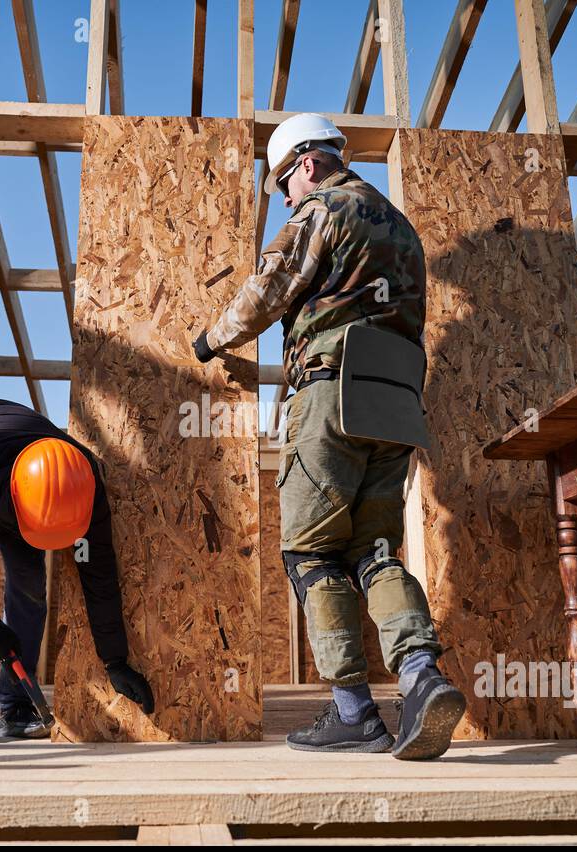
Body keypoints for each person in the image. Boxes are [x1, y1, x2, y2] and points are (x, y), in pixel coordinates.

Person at [192, 113, 465, 760]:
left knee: (309, 553)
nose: (286, 196)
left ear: (307, 163)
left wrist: (208, 340)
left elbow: (266, 293)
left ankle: (354, 714)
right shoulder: (402, 227)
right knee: (374, 549)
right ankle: (421, 674)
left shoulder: (322, 208)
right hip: (395, 402)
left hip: (331, 393)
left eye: (285, 182)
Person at [0, 398, 153, 751]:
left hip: (12, 479)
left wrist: (115, 660)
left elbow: (97, 576)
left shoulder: (84, 483)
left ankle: (18, 706)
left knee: (29, 581)